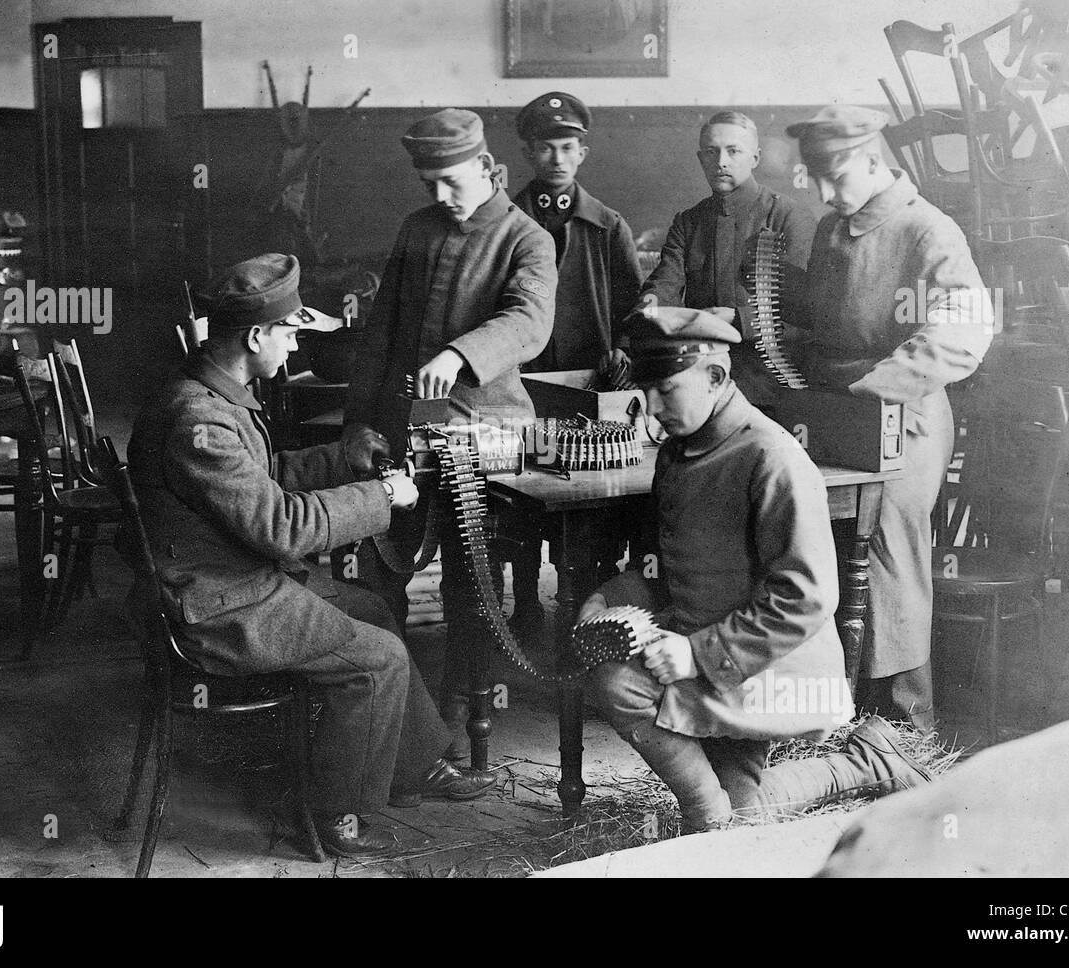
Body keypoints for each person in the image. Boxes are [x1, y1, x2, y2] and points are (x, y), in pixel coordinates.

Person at [127, 254, 494, 858]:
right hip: (214, 605)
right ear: (255, 336)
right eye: (291, 331)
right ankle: (337, 815)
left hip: (230, 578)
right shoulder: (200, 421)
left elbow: (263, 479)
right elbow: (280, 527)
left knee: (372, 608)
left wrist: (340, 455)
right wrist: (381, 495)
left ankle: (414, 766)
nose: (295, 347)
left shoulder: (211, 394)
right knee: (379, 660)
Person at [581, 306, 932, 832]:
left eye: (667, 389)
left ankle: (706, 817)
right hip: (724, 652)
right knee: (751, 809)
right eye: (645, 391)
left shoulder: (771, 456)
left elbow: (806, 598)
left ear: (717, 377)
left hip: (774, 665)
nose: (651, 409)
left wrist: (697, 655)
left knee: (617, 683)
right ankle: (870, 761)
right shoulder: (680, 451)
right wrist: (605, 599)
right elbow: (662, 566)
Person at [342, 109, 556, 749]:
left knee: (473, 583)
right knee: (382, 574)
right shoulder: (418, 229)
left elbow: (528, 321)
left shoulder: (527, 239)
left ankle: (468, 722)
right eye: (428, 184)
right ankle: (400, 721)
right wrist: (359, 420)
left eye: (452, 183)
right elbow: (380, 335)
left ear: (489, 169)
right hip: (403, 432)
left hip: (483, 434)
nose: (440, 199)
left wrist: (461, 355)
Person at [785, 106, 994, 731]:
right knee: (809, 544)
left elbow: (966, 331)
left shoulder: (929, 230)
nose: (823, 193)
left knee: (887, 555)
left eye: (834, 176)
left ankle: (908, 728)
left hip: (906, 416)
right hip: (835, 414)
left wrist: (871, 384)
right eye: (814, 178)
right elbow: (828, 315)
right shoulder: (832, 229)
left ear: (874, 161)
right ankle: (834, 714)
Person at [509, 91, 644, 635]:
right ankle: (522, 606)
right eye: (546, 148)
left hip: (590, 388)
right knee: (521, 492)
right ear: (529, 153)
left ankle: (584, 616)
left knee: (588, 507)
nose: (557, 159)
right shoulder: (508, 222)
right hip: (524, 382)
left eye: (567, 147)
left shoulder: (609, 227)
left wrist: (624, 351)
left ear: (583, 153)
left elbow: (634, 310)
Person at [635, 111, 820, 407]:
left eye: (734, 151)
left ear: (755, 158)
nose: (721, 161)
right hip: (701, 384)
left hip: (773, 385)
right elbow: (662, 287)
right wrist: (634, 329)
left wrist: (738, 320)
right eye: (712, 151)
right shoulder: (689, 222)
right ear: (701, 158)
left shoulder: (788, 216)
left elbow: (807, 315)